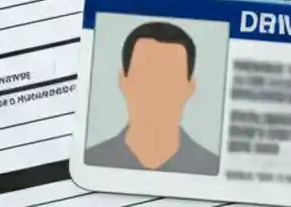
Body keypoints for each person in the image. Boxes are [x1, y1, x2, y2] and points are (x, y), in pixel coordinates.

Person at [84, 21, 219, 174]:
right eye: (145, 76)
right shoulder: (92, 161)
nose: (157, 91)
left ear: (189, 88)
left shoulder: (212, 168)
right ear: (123, 81)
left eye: (169, 79)